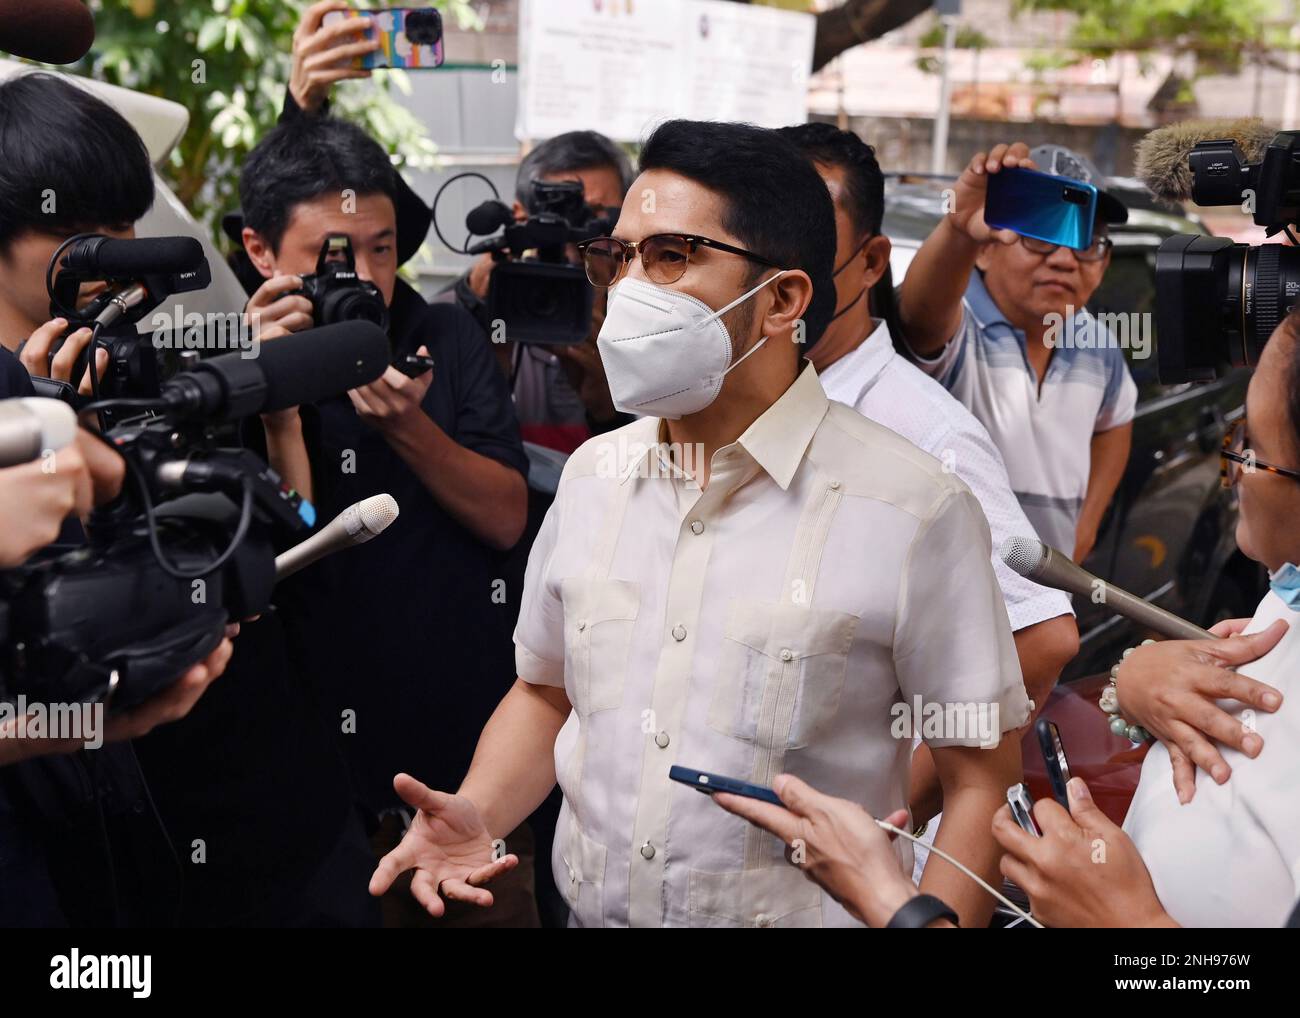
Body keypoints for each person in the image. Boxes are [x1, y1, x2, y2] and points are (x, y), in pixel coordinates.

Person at [370, 119, 1030, 929]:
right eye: (620, 257)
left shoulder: (913, 508)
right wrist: (481, 809)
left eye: (672, 256)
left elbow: (979, 777)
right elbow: (546, 695)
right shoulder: (593, 479)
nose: (628, 291)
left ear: (784, 298)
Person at [237, 112, 537, 927]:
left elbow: (508, 518)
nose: (367, 276)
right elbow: (273, 558)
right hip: (315, 780)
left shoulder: (440, 331)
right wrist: (275, 392)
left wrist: (407, 425)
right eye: (336, 255)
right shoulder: (230, 365)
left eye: (383, 247)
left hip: (462, 760)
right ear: (261, 251)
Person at [779, 123, 1079, 829]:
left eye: (808, 239)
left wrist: (892, 804)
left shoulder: (919, 431)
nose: (777, 264)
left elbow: (1043, 636)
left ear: (869, 261)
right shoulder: (744, 409)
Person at [992, 309, 1300, 928]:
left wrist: (1120, 923)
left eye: (1256, 450)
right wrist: (1135, 684)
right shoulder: (1282, 595)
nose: (1234, 468)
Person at [898, 142, 1135, 563]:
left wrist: (1086, 526)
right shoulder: (959, 326)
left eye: (1086, 240)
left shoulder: (1096, 343)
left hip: (1049, 604)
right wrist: (956, 232)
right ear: (985, 249)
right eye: (1041, 234)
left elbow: (1116, 420)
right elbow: (917, 317)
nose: (1065, 259)